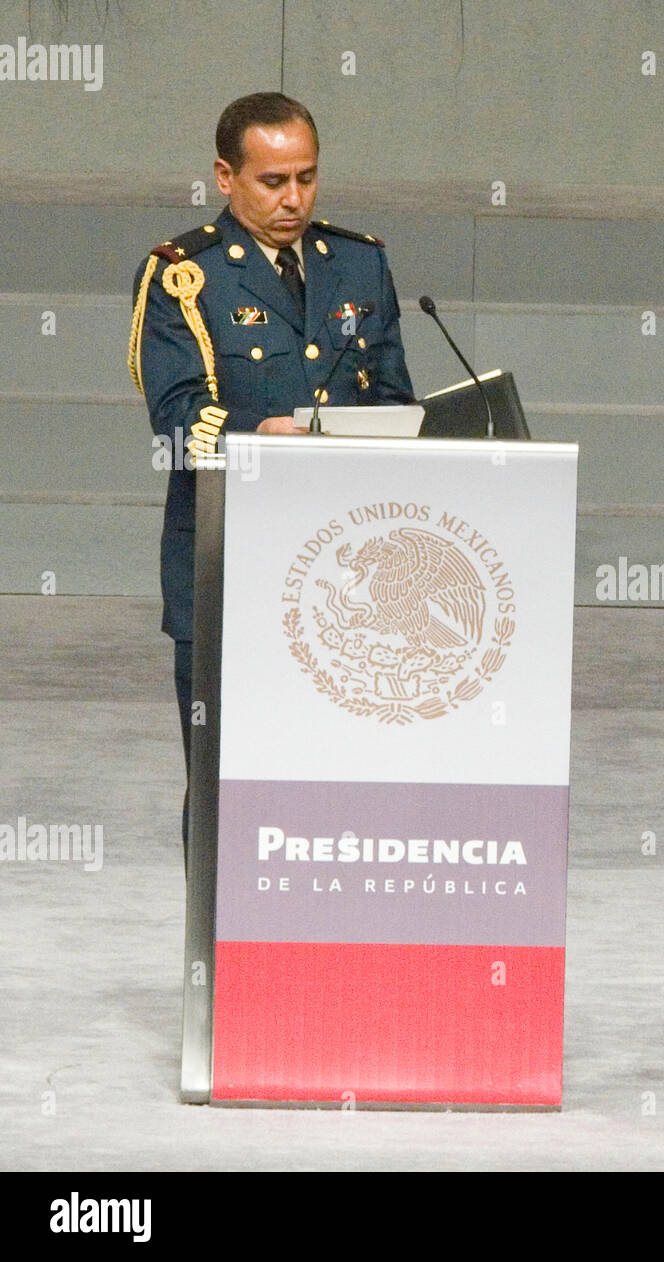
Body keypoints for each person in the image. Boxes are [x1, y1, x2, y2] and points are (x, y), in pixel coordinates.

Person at [128, 91, 414, 785]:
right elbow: (178, 418)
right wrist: (265, 439)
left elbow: (397, 400)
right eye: (274, 181)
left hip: (349, 576)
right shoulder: (184, 276)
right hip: (228, 562)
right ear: (226, 178)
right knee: (226, 785)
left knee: (334, 780)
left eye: (307, 178)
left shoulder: (360, 264)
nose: (294, 199)